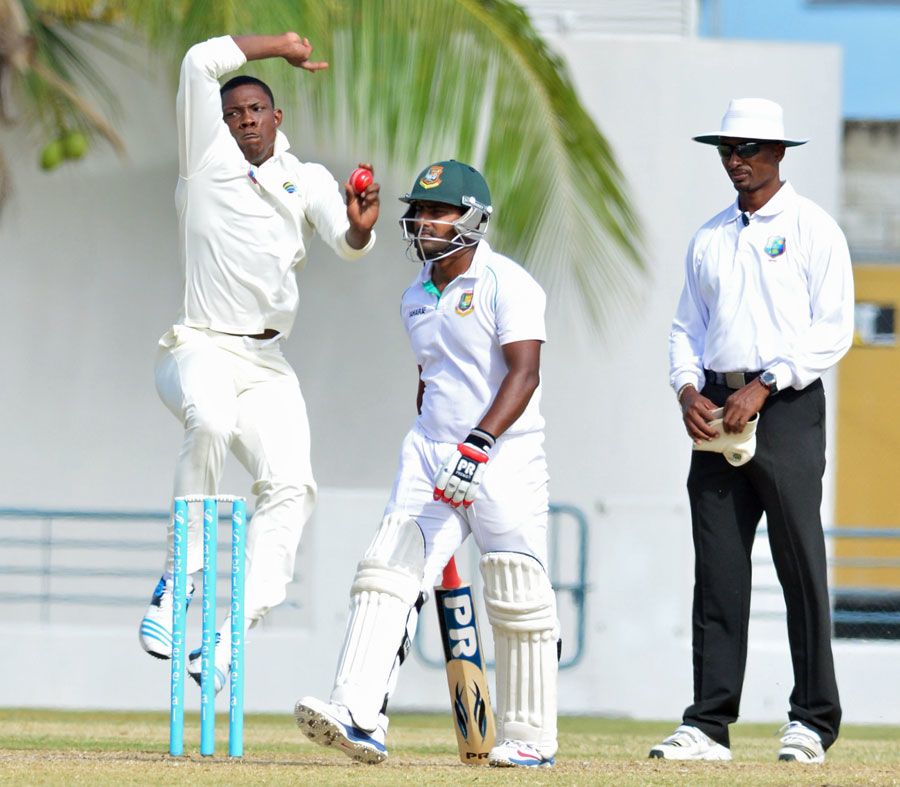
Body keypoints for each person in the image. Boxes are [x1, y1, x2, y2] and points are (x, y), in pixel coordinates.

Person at [293, 160, 558, 768]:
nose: (423, 221)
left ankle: (530, 738)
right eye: (419, 211)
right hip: (431, 451)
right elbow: (431, 374)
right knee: (388, 571)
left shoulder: (508, 284)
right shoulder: (415, 295)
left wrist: (479, 443)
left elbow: (524, 374)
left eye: (438, 212)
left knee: (515, 587)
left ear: (473, 219)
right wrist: (440, 440)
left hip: (503, 454)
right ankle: (358, 715)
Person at [138, 33, 380, 693]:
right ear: (218, 124)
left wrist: (361, 227)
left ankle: (228, 638)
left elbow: (346, 240)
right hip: (199, 345)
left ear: (277, 118)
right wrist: (281, 47)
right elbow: (198, 59)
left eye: (255, 110)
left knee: (292, 488)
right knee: (211, 420)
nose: (244, 120)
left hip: (267, 362)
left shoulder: (307, 178)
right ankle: (179, 579)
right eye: (233, 113)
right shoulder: (205, 157)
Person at [653, 98, 854, 764]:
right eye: (726, 150)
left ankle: (813, 720)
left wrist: (766, 383)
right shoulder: (710, 236)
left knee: (799, 563)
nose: (735, 161)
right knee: (717, 568)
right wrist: (687, 388)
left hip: (786, 405)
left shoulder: (812, 228)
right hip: (716, 405)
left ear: (778, 153)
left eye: (747, 149)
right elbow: (686, 328)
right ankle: (708, 724)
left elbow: (833, 329)